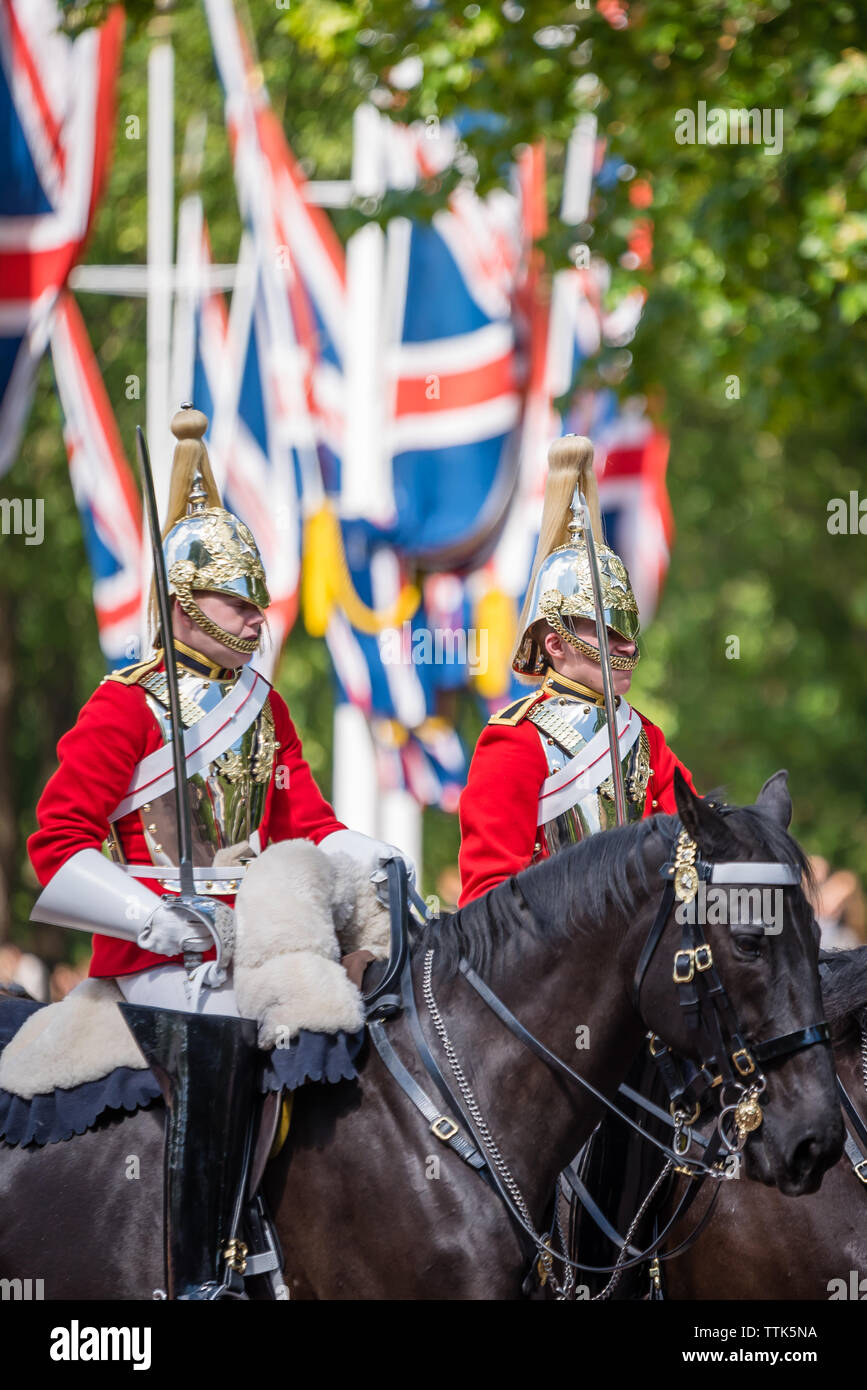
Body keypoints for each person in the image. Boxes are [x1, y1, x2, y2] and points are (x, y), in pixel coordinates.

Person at [27, 404, 412, 1297]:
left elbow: (304, 823)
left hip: (257, 937)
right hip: (157, 955)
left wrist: (377, 858)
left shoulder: (261, 706)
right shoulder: (127, 703)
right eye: (235, 602)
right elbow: (58, 842)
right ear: (181, 601)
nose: (253, 619)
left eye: (257, 602)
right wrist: (157, 920)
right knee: (223, 1043)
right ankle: (206, 1263)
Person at [458, 433, 695, 906]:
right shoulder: (516, 740)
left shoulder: (644, 737)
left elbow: (696, 836)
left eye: (627, 627)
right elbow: (489, 898)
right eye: (606, 632)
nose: (626, 643)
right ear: (554, 644)